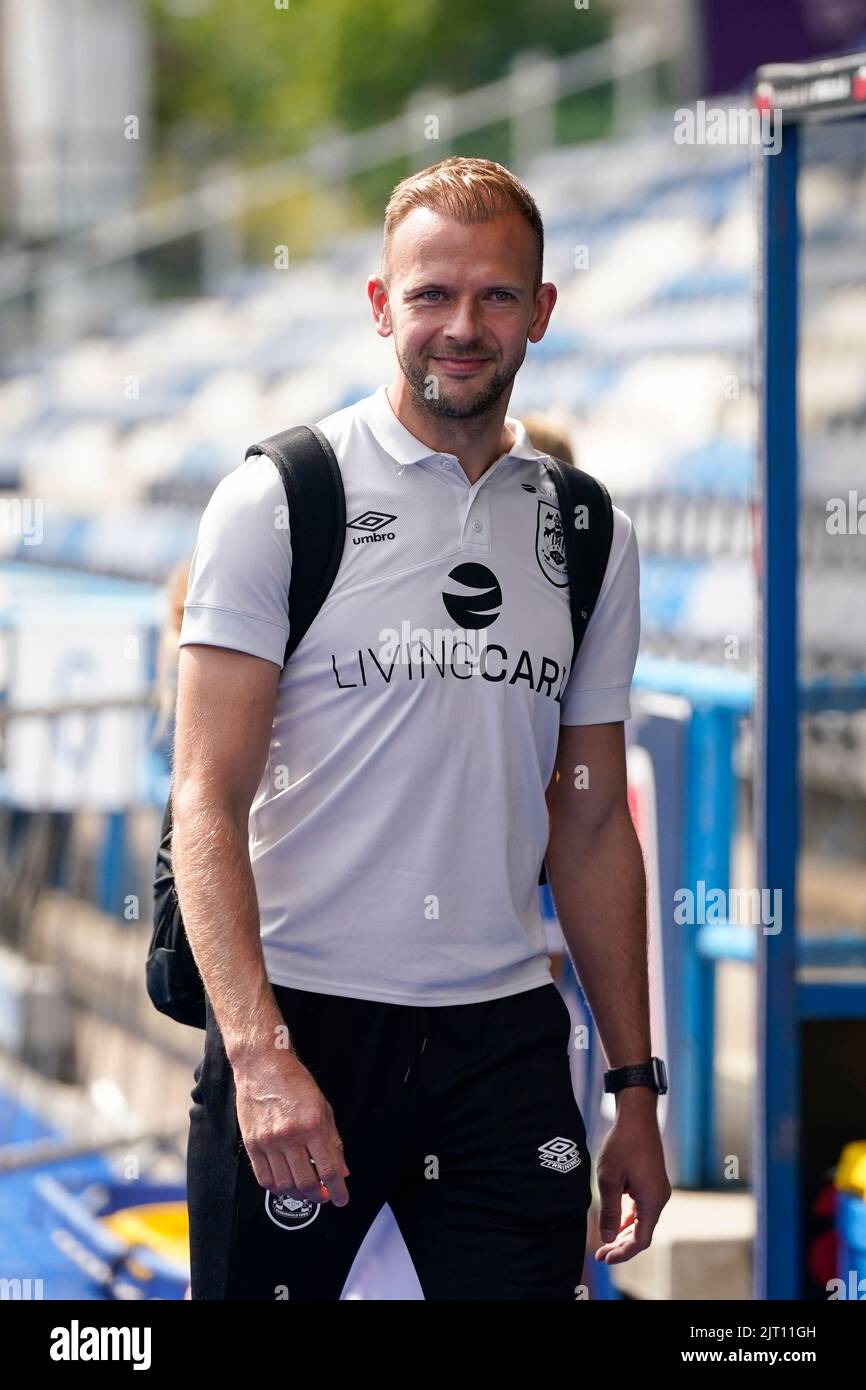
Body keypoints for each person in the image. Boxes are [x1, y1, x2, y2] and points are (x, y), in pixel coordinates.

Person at [175, 156, 671, 1301]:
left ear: (540, 311)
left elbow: (591, 831)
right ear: (378, 305)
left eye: (496, 295)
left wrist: (634, 1094)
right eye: (430, 294)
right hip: (303, 1021)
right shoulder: (281, 497)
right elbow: (204, 796)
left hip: (499, 1042)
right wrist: (256, 1054)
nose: (462, 325)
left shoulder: (587, 531)